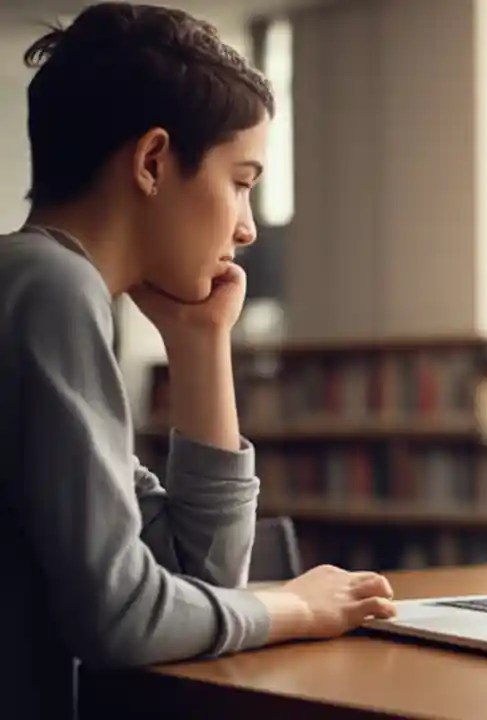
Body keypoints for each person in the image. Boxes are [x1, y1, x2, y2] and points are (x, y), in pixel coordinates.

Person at [0, 5, 395, 717]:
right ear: (153, 162)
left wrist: (200, 343)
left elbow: (196, 582)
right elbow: (123, 619)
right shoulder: (46, 289)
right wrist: (291, 608)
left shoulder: (44, 285)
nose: (245, 226)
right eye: (241, 181)